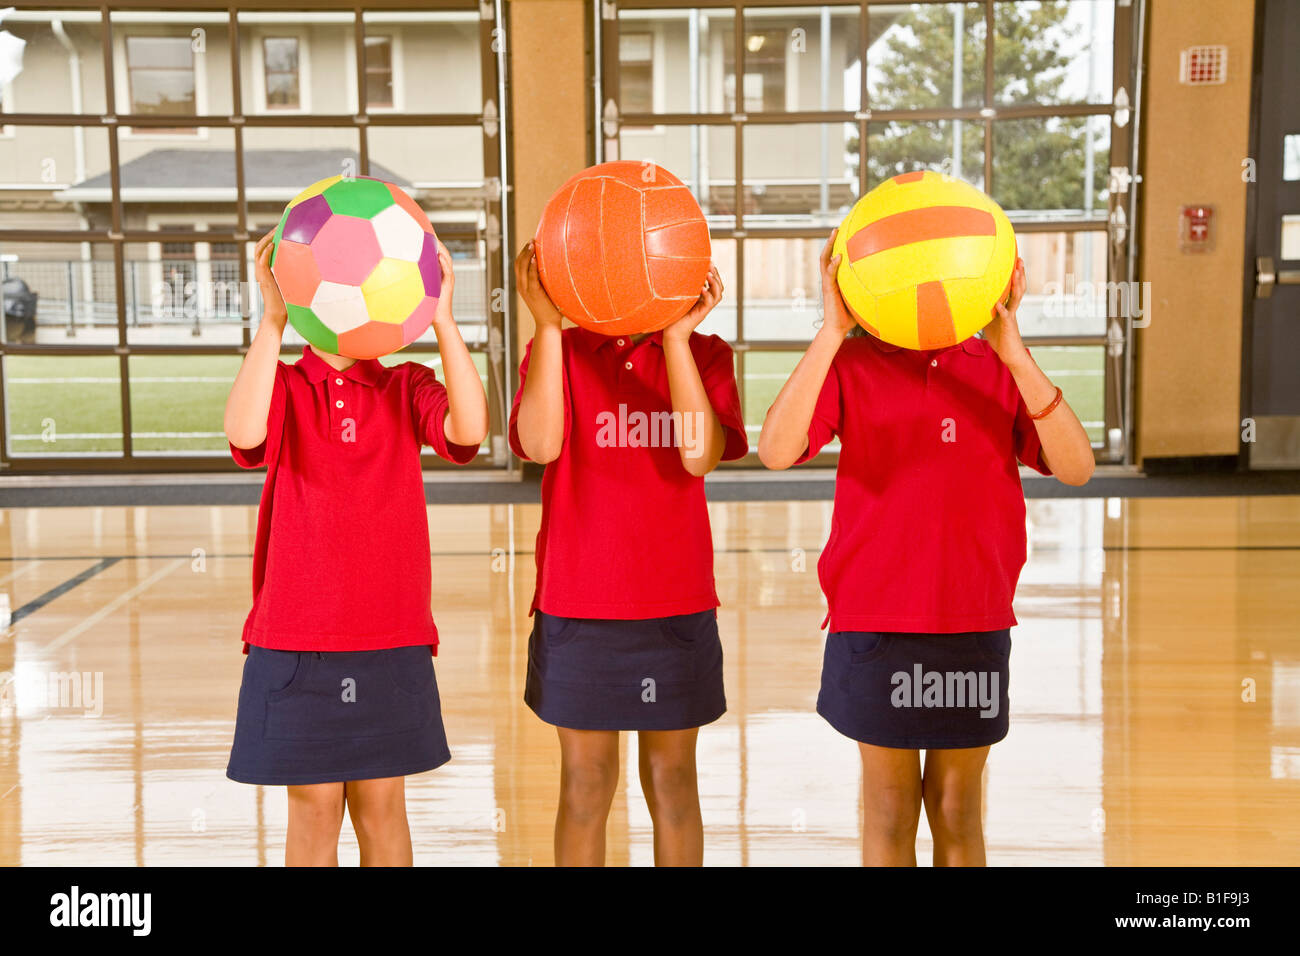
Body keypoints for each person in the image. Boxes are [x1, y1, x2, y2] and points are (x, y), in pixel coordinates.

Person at [758, 232, 1094, 866]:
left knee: (956, 809)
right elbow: (775, 449)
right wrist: (831, 332)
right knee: (888, 812)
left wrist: (1015, 353)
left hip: (972, 619)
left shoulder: (998, 366)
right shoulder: (853, 365)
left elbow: (1076, 467)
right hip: (873, 620)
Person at [223, 229, 488, 866]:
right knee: (312, 811)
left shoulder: (405, 385)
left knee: (381, 809)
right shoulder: (284, 385)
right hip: (295, 639)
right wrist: (271, 322)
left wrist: (445, 319)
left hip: (388, 637)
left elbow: (469, 429)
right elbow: (242, 431)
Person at [509, 239, 748, 866]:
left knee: (673, 782)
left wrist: (674, 341)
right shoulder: (556, 350)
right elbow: (537, 445)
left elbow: (699, 454)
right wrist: (546, 326)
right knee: (585, 786)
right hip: (578, 605)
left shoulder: (706, 355)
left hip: (675, 605)